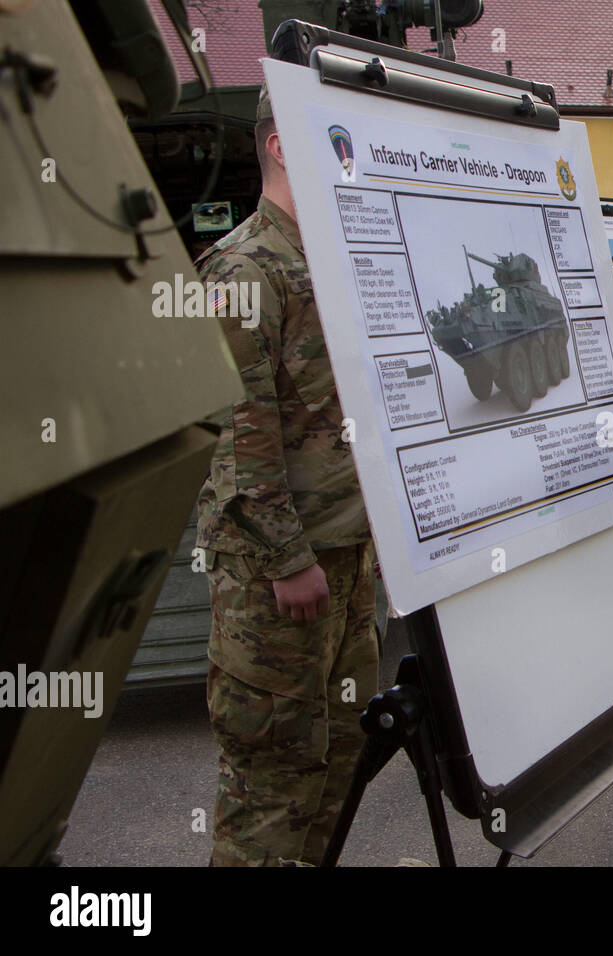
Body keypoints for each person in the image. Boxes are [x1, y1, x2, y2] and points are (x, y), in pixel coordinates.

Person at [195, 87, 379, 866]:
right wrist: (286, 558)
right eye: (329, 141)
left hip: (347, 558)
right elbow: (240, 436)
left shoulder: (331, 263)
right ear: (279, 148)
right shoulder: (245, 267)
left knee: (337, 759)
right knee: (272, 778)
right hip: (281, 577)